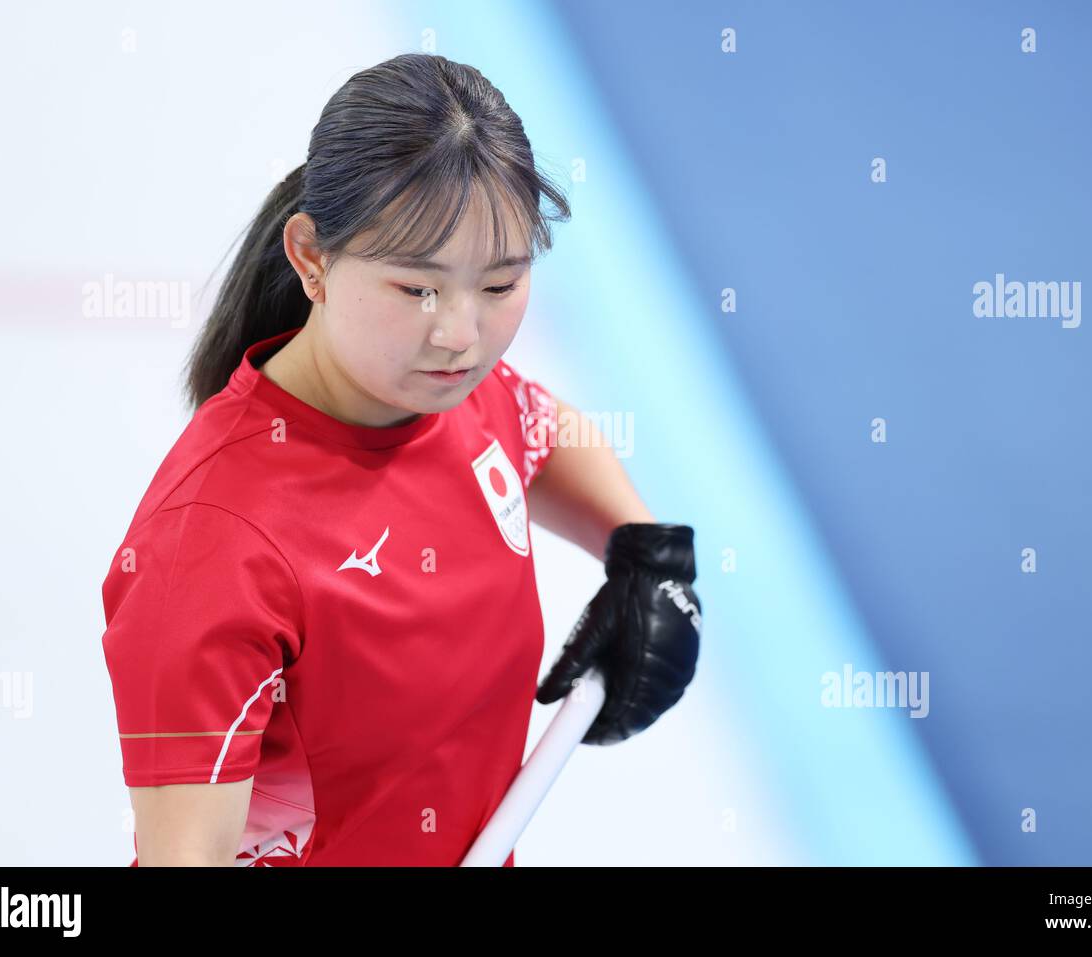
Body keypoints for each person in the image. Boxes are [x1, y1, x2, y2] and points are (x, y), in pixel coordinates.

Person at [100, 52, 702, 867]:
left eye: (499, 286)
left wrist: (643, 550)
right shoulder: (211, 547)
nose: (460, 336)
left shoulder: (452, 396)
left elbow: (535, 425)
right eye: (416, 288)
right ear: (311, 256)